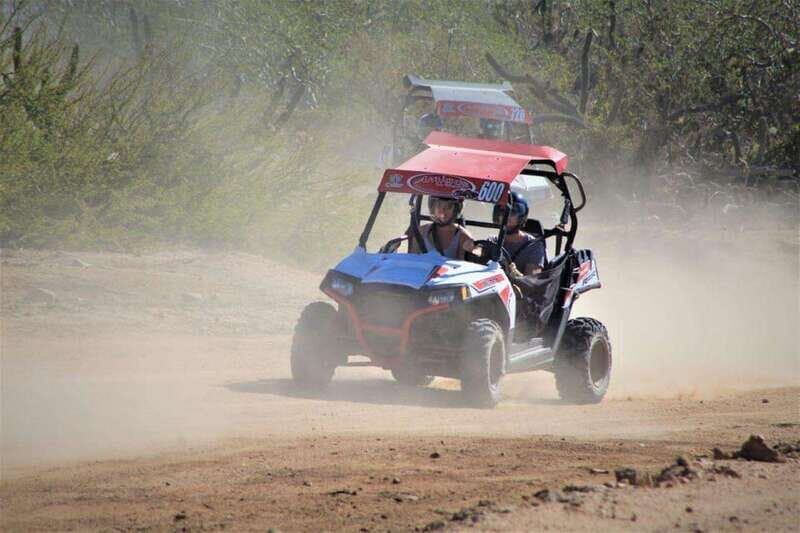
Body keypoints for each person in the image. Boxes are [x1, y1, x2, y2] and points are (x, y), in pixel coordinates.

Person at [490, 191, 546, 278]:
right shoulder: (491, 241)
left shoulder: (534, 247)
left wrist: (515, 273)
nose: (506, 217)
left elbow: (532, 284)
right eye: (502, 212)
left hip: (517, 290)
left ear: (521, 217)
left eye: (512, 212)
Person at [408, 196, 477, 260]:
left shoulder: (463, 236)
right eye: (439, 206)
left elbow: (464, 267)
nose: (443, 211)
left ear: (455, 210)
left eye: (449, 207)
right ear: (433, 208)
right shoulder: (421, 231)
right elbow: (411, 260)